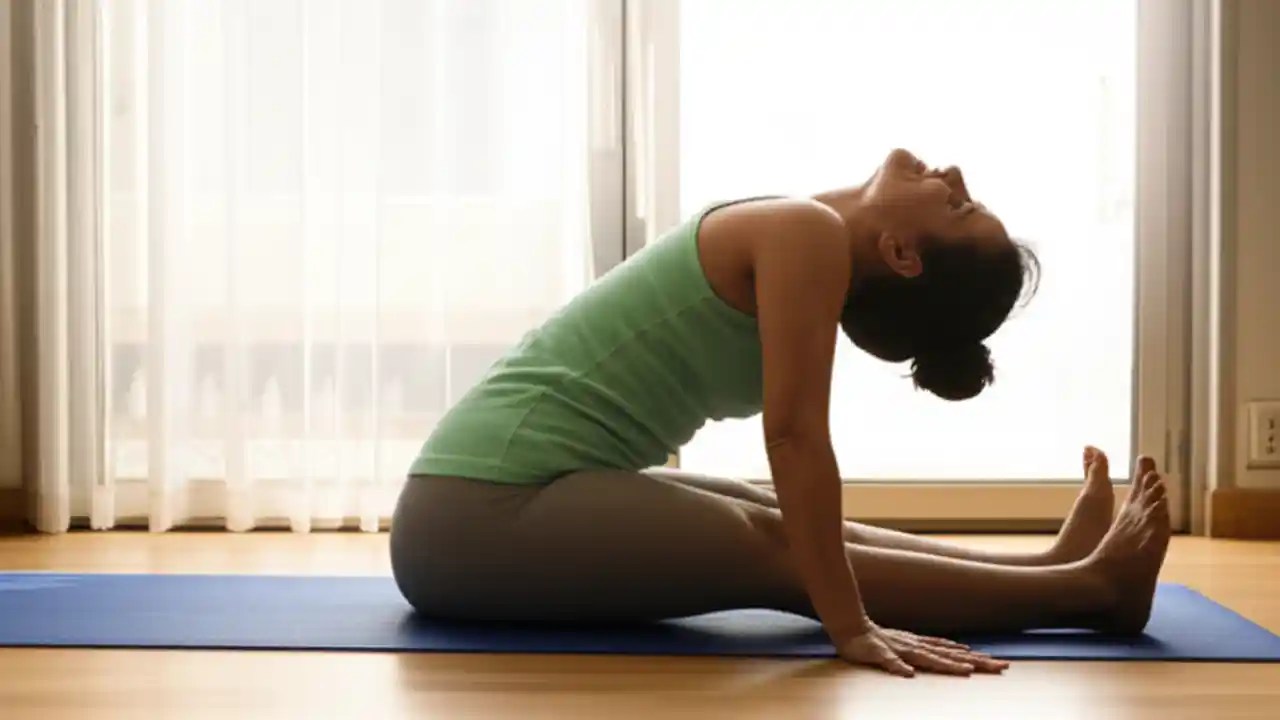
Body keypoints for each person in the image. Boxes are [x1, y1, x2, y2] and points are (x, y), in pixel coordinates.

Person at [389, 148, 1172, 678]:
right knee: (781, 538)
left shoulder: (810, 238)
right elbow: (795, 442)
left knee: (774, 514)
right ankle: (1088, 590)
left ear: (902, 254)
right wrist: (848, 620)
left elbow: (795, 439)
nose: (953, 173)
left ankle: (1046, 572)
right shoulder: (804, 234)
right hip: (472, 516)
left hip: (494, 506)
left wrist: (847, 625)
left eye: (958, 205)